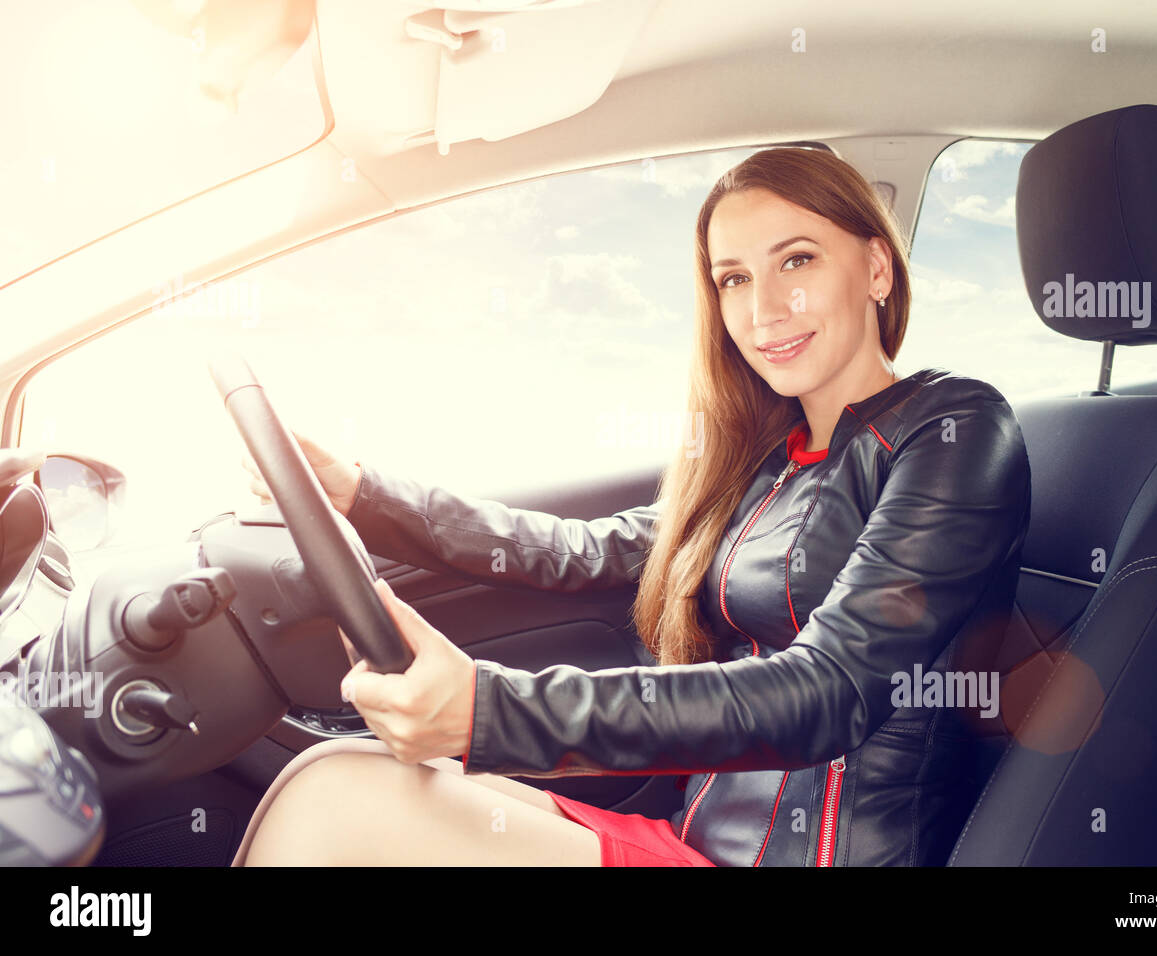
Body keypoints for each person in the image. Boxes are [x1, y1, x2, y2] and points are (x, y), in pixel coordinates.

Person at [232, 146, 1031, 867]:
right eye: (735, 279)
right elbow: (577, 549)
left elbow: (832, 692)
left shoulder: (953, 429)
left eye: (797, 260)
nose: (764, 310)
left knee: (335, 808)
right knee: (345, 772)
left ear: (878, 270)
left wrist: (489, 710)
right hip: (695, 842)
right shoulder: (766, 464)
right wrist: (362, 493)